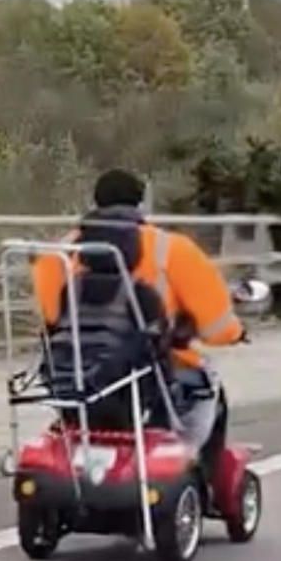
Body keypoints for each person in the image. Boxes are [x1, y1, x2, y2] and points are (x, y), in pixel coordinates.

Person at [32, 168, 245, 453]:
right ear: (141, 203)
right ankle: (186, 463)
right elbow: (216, 328)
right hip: (153, 378)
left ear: (95, 202)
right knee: (205, 390)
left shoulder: (56, 253)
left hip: (74, 375)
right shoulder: (173, 248)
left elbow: (51, 318)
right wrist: (235, 332)